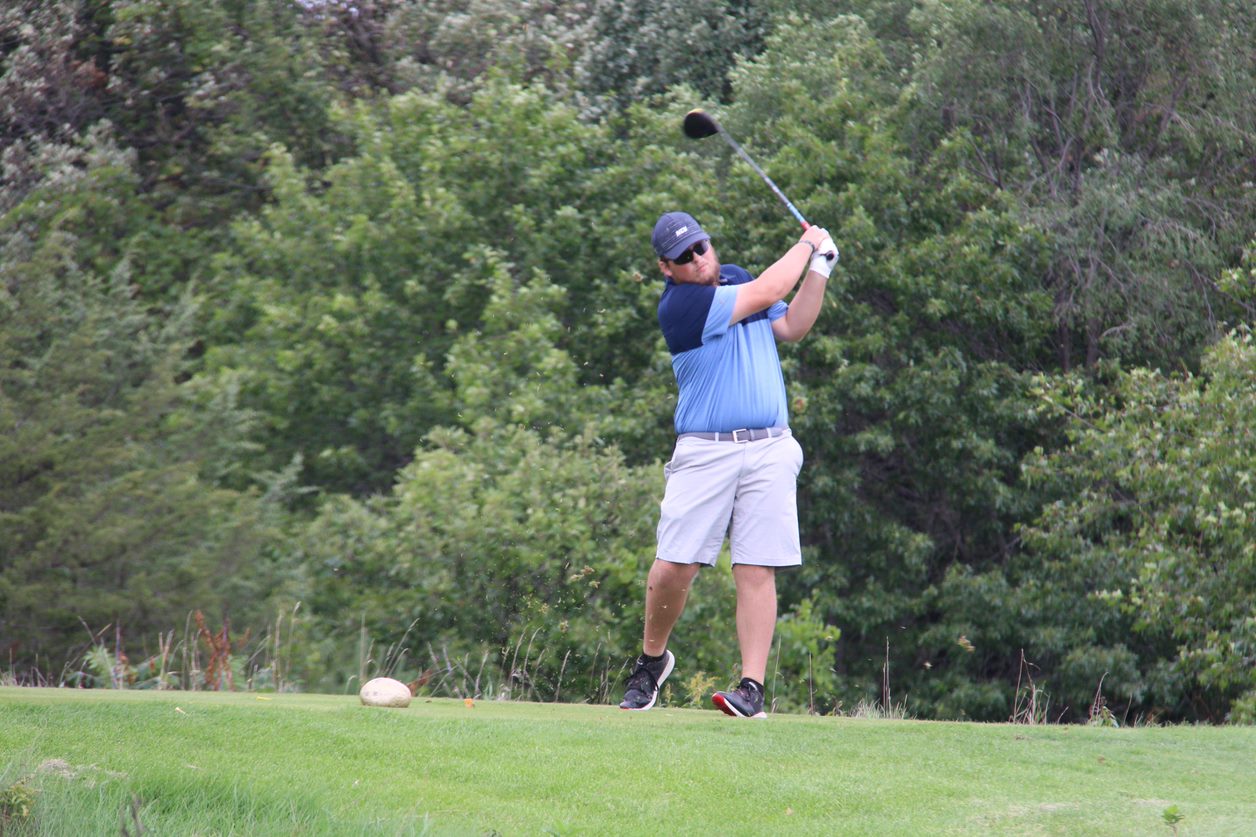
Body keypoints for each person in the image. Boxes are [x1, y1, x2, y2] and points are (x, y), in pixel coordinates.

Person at [620, 210, 837, 718]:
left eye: (701, 247)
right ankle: (652, 662)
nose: (698, 259)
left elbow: (792, 325)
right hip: (705, 449)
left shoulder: (736, 277)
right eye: (683, 257)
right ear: (666, 268)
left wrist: (820, 270)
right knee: (674, 566)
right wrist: (808, 244)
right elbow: (768, 290)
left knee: (756, 567)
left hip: (770, 446)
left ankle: (751, 688)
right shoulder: (682, 305)